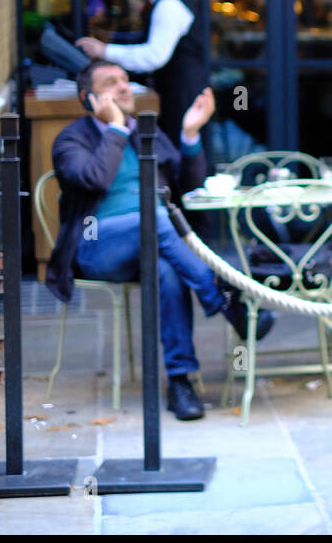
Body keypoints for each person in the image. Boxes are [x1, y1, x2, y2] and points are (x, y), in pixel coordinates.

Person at [45, 58, 274, 421]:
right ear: (88, 99)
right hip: (96, 243)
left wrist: (190, 135)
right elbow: (94, 179)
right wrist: (116, 130)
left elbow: (190, 187)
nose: (124, 87)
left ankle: (181, 382)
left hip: (156, 242)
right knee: (153, 217)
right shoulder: (72, 139)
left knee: (168, 269)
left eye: (125, 79)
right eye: (111, 83)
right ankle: (226, 300)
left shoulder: (147, 132)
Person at [75, 0, 207, 150]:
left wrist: (105, 51)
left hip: (182, 95)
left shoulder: (169, 5)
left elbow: (154, 56)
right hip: (178, 90)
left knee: (184, 154)